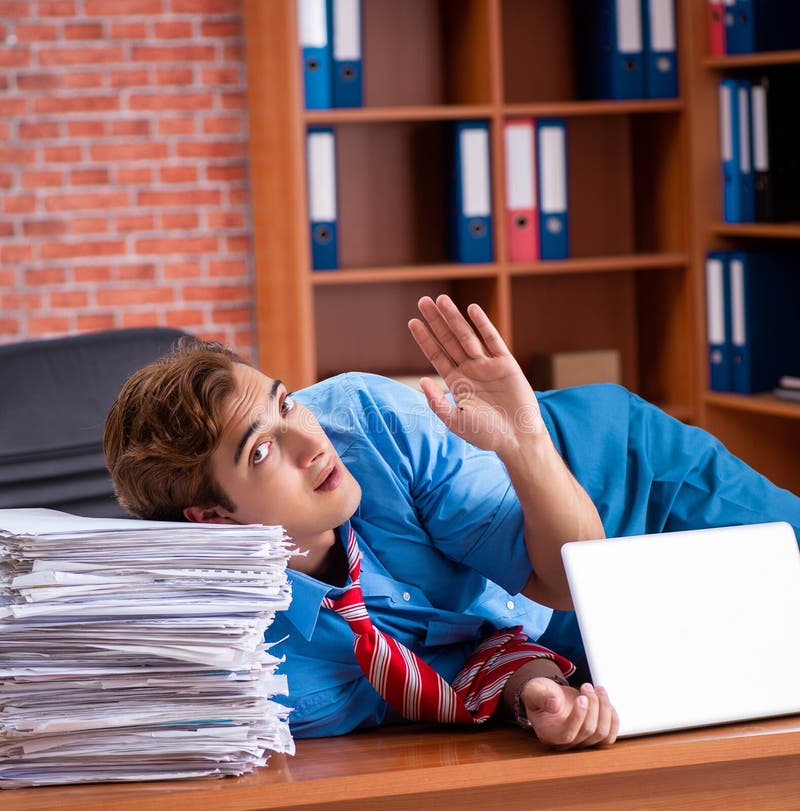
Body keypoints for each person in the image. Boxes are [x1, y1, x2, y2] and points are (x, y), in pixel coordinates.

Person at [104, 295, 800, 747]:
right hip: (549, 629)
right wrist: (532, 692)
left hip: (612, 494)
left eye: (286, 403)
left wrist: (525, 438)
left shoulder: (366, 423)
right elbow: (458, 662)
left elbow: (564, 577)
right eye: (262, 451)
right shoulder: (250, 661)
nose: (309, 442)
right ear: (211, 519)